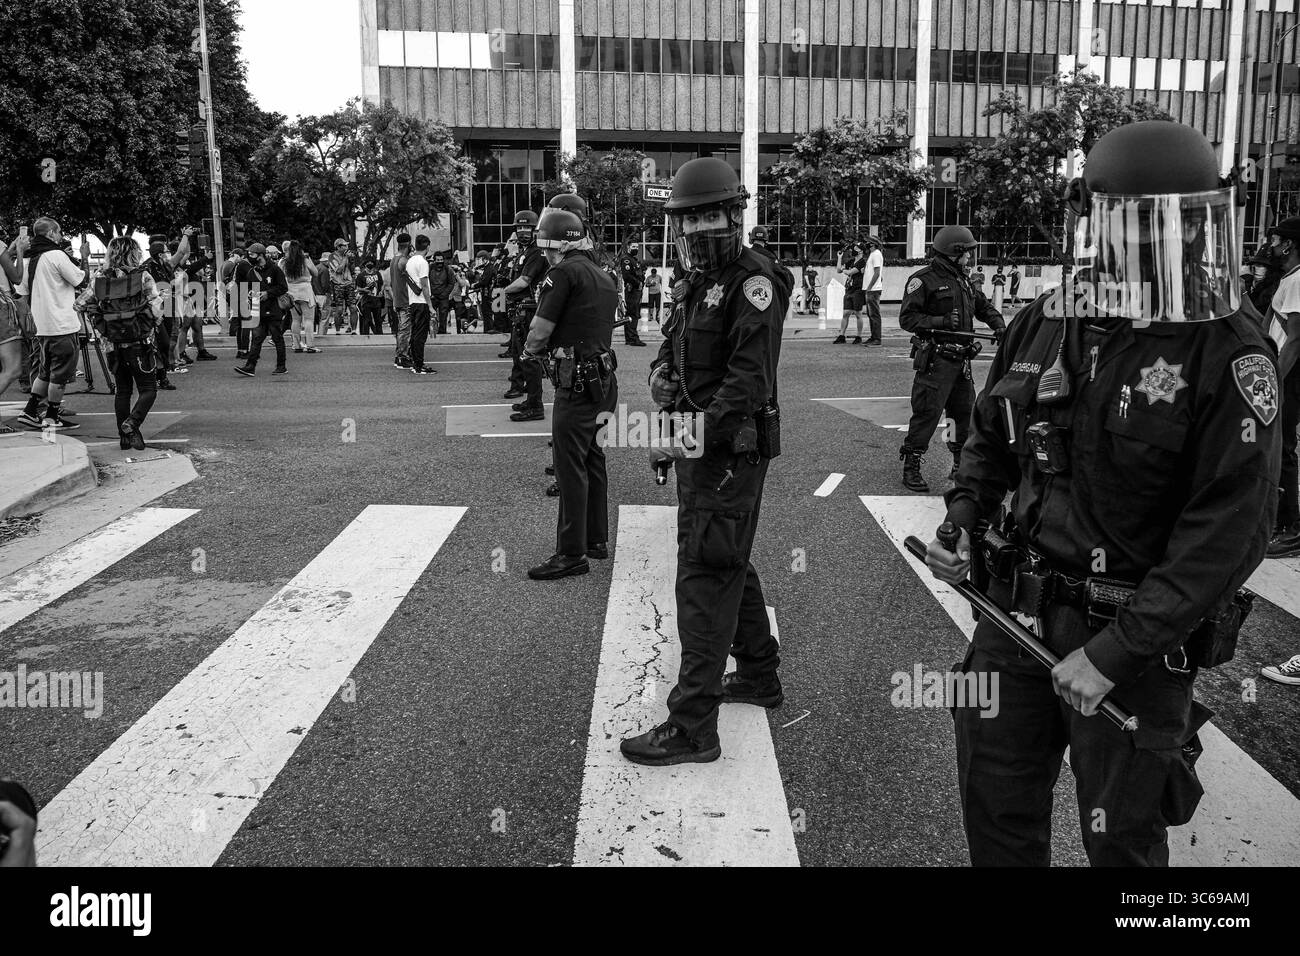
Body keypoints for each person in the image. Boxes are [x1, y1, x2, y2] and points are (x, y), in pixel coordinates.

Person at [926, 120, 1280, 867]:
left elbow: (1230, 529)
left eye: (1181, 223)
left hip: (1131, 644)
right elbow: (991, 438)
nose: (1161, 243)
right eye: (1141, 223)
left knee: (1120, 840)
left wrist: (1118, 652)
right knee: (994, 809)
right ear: (1102, 221)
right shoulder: (1051, 319)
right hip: (1011, 617)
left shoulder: (1228, 345)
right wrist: (961, 516)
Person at [620, 157, 791, 767]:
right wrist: (662, 375)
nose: (693, 233)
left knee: (703, 572)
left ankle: (693, 725)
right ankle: (760, 674)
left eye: (706, 218)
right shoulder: (696, 280)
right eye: (685, 223)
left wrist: (684, 436)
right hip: (700, 444)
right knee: (728, 560)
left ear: (734, 216)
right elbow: (674, 345)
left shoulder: (753, 283)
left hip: (727, 451)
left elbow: (748, 384)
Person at [520, 208, 620, 579]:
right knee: (593, 459)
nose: (545, 254)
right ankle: (596, 539)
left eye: (547, 247)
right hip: (604, 381)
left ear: (561, 244)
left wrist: (529, 351)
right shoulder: (603, 275)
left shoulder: (561, 273)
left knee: (569, 467)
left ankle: (571, 553)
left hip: (577, 384)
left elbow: (540, 331)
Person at [898, 224, 1006, 492]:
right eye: (967, 253)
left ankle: (960, 464)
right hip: (936, 362)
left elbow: (983, 307)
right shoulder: (923, 280)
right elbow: (907, 319)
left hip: (962, 363)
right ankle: (911, 465)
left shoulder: (964, 280)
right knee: (926, 415)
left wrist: (1000, 326)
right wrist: (940, 320)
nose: (970, 258)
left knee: (962, 417)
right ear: (954, 252)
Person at [76, 236, 162, 450]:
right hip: (140, 341)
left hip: (111, 343)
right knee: (148, 388)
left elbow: (79, 304)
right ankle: (132, 423)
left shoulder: (99, 278)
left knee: (123, 390)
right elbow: (157, 308)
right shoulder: (142, 277)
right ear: (135, 253)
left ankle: (124, 438)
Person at [13, 218, 88, 430]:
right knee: (60, 375)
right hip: (62, 324)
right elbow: (81, 281)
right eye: (59, 232)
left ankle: (30, 411)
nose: (61, 236)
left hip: (42, 326)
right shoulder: (56, 255)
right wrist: (84, 258)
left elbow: (22, 293)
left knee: (45, 372)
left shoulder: (27, 259)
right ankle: (52, 416)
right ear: (52, 233)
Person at [1263, 218, 1300, 558]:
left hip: (1288, 376)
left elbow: (1295, 340)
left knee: (1284, 447)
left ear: (1288, 244)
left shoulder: (1298, 280)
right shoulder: (1288, 279)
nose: (1270, 244)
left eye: (1274, 239)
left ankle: (1291, 526)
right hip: (1280, 373)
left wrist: (1275, 380)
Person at [501, 210, 548, 416]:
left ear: (534, 229)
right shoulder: (524, 251)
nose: (522, 232)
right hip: (522, 309)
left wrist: (504, 291)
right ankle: (527, 395)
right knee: (521, 353)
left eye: (526, 228)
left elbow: (525, 280)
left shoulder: (536, 251)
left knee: (529, 356)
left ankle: (534, 402)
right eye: (519, 228)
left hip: (529, 309)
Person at [142, 229, 194, 389]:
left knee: (166, 342)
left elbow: (182, 252)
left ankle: (163, 374)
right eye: (166, 251)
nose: (169, 254)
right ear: (159, 255)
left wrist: (186, 236)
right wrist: (159, 291)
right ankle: (158, 375)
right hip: (154, 311)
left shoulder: (167, 266)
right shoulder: (146, 268)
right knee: (157, 343)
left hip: (169, 308)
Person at [233, 242, 289, 377]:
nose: (249, 256)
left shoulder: (275, 269)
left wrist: (268, 293)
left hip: (273, 309)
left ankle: (281, 366)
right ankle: (250, 366)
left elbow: (283, 287)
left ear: (261, 255)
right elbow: (249, 287)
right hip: (258, 309)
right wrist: (250, 293)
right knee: (256, 338)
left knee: (277, 338)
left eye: (252, 254)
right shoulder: (252, 271)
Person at [0, 234, 30, 432]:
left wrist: (9, 252)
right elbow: (17, 277)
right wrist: (19, 250)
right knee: (13, 369)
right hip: (2, 307)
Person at [180, 249, 218, 361]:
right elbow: (191, 269)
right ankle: (181, 353)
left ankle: (201, 351)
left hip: (195, 298)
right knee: (184, 327)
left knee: (197, 326)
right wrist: (206, 258)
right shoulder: (176, 264)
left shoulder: (185, 262)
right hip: (186, 298)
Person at [405, 235, 436, 375]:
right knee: (420, 336)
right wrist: (430, 306)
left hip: (413, 302)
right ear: (427, 246)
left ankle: (414, 362)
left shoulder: (410, 261)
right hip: (421, 302)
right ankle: (419, 365)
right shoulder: (423, 262)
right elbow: (424, 285)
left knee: (414, 334)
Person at [282, 241, 320, 354]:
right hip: (305, 291)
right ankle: (310, 345)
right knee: (308, 320)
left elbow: (281, 275)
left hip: (291, 291)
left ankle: (297, 345)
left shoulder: (284, 262)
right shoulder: (304, 260)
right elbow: (316, 273)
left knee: (295, 320)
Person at [748, 226, 795, 303]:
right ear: (766, 239)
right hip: (766, 298)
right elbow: (783, 275)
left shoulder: (745, 255)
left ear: (751, 238)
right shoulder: (770, 257)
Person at [615, 241, 648, 346]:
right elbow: (627, 276)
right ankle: (632, 338)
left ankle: (630, 338)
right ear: (628, 248)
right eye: (633, 246)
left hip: (637, 290)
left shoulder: (634, 260)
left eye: (637, 247)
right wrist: (638, 282)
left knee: (633, 314)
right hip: (632, 290)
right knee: (632, 314)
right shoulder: (626, 260)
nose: (636, 248)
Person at [833, 241, 865, 344]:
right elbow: (838, 270)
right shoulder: (851, 261)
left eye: (856, 248)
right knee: (846, 313)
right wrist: (839, 258)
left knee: (858, 313)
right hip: (849, 290)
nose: (853, 250)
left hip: (858, 290)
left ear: (861, 250)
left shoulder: (863, 262)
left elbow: (851, 272)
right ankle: (841, 336)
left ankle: (858, 336)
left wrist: (845, 271)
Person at [389, 233, 413, 367]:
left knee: (401, 329)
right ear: (409, 245)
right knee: (405, 330)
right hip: (405, 299)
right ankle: (402, 356)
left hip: (398, 299)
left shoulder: (394, 259)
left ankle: (400, 355)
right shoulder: (404, 260)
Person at [326, 239, 358, 333]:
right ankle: (338, 331)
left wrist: (351, 261)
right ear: (338, 247)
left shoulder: (347, 255)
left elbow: (352, 271)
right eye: (344, 246)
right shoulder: (332, 257)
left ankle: (354, 330)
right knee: (339, 309)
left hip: (349, 283)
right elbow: (338, 270)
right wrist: (345, 258)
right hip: (338, 284)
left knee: (353, 307)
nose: (346, 247)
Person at [862, 235, 884, 346]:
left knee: (874, 314)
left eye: (868, 242)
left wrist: (869, 287)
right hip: (871, 289)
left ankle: (877, 338)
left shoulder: (876, 254)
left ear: (873, 244)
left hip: (873, 290)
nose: (866, 244)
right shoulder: (873, 254)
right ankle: (873, 337)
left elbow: (877, 272)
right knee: (871, 314)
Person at [427, 250, 456, 335]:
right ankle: (431, 331)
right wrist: (430, 293)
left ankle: (442, 331)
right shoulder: (430, 268)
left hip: (443, 296)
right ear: (434, 260)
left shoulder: (448, 269)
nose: (440, 262)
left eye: (441, 260)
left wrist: (445, 293)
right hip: (432, 296)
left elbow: (451, 283)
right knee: (431, 314)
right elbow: (426, 281)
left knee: (443, 314)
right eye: (438, 260)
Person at [356, 258, 386, 335]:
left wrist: (381, 291)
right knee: (367, 320)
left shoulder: (377, 273)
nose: (370, 264)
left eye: (371, 262)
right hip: (366, 301)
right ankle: (366, 336)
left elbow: (382, 284)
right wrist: (364, 290)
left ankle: (379, 335)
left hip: (377, 300)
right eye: (368, 262)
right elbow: (358, 288)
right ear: (365, 265)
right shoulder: (361, 275)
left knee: (378, 320)